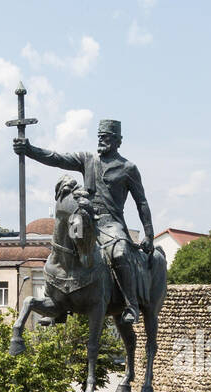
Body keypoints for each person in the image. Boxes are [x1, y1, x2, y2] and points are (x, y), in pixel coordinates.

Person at [13, 119, 152, 326]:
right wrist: (29, 149)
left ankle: (131, 304)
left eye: (106, 137)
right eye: (99, 136)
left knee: (120, 251)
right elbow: (56, 157)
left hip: (112, 224)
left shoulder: (128, 168)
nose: (101, 140)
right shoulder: (88, 160)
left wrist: (148, 233)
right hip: (86, 219)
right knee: (61, 250)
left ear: (117, 141)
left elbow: (141, 202)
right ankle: (56, 304)